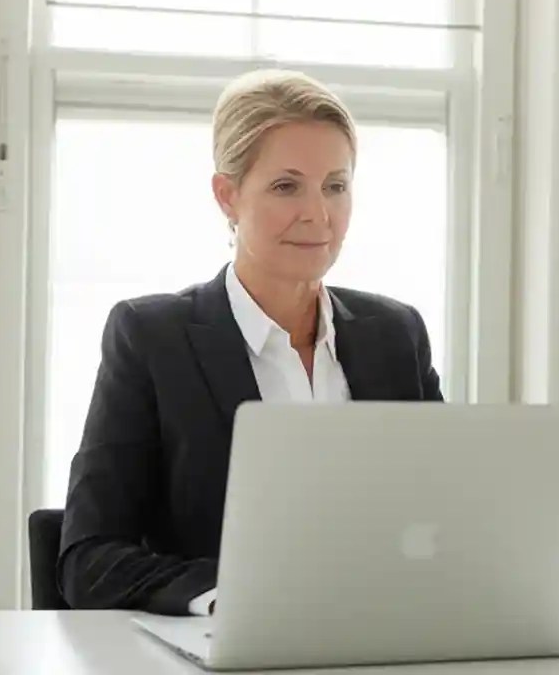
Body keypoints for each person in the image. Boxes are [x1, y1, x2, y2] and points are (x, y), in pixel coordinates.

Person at [58, 69, 443, 615]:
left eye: (336, 185)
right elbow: (88, 561)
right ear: (228, 196)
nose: (318, 213)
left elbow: (444, 522)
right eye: (287, 186)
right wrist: (233, 598)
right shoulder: (152, 337)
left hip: (380, 639)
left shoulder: (396, 335)